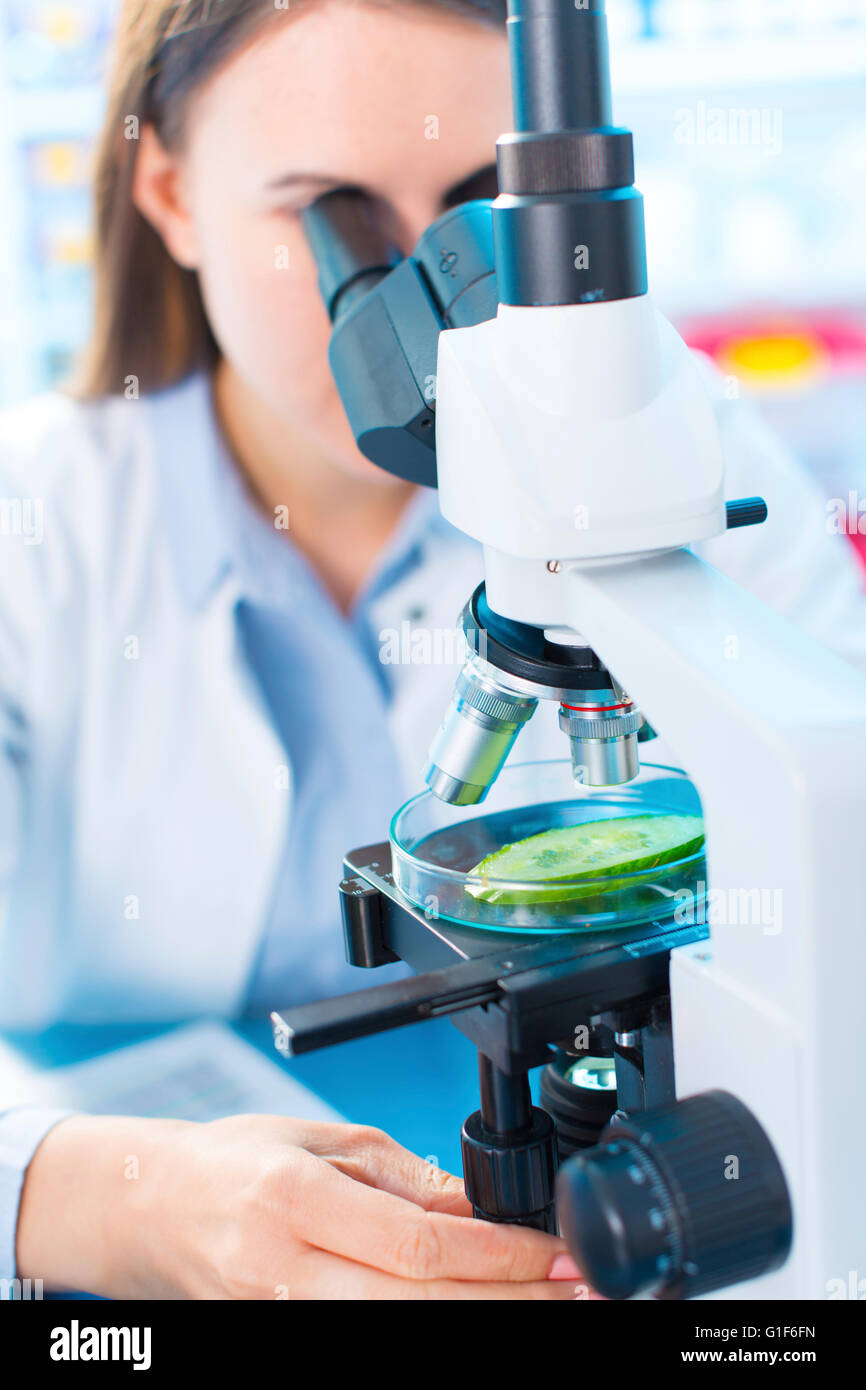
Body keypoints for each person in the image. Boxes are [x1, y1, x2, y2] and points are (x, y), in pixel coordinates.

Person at [0, 0, 863, 1301]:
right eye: (333, 213)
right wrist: (76, 1194)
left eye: (475, 209)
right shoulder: (38, 536)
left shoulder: (685, 462)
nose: (411, 311)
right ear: (169, 193)